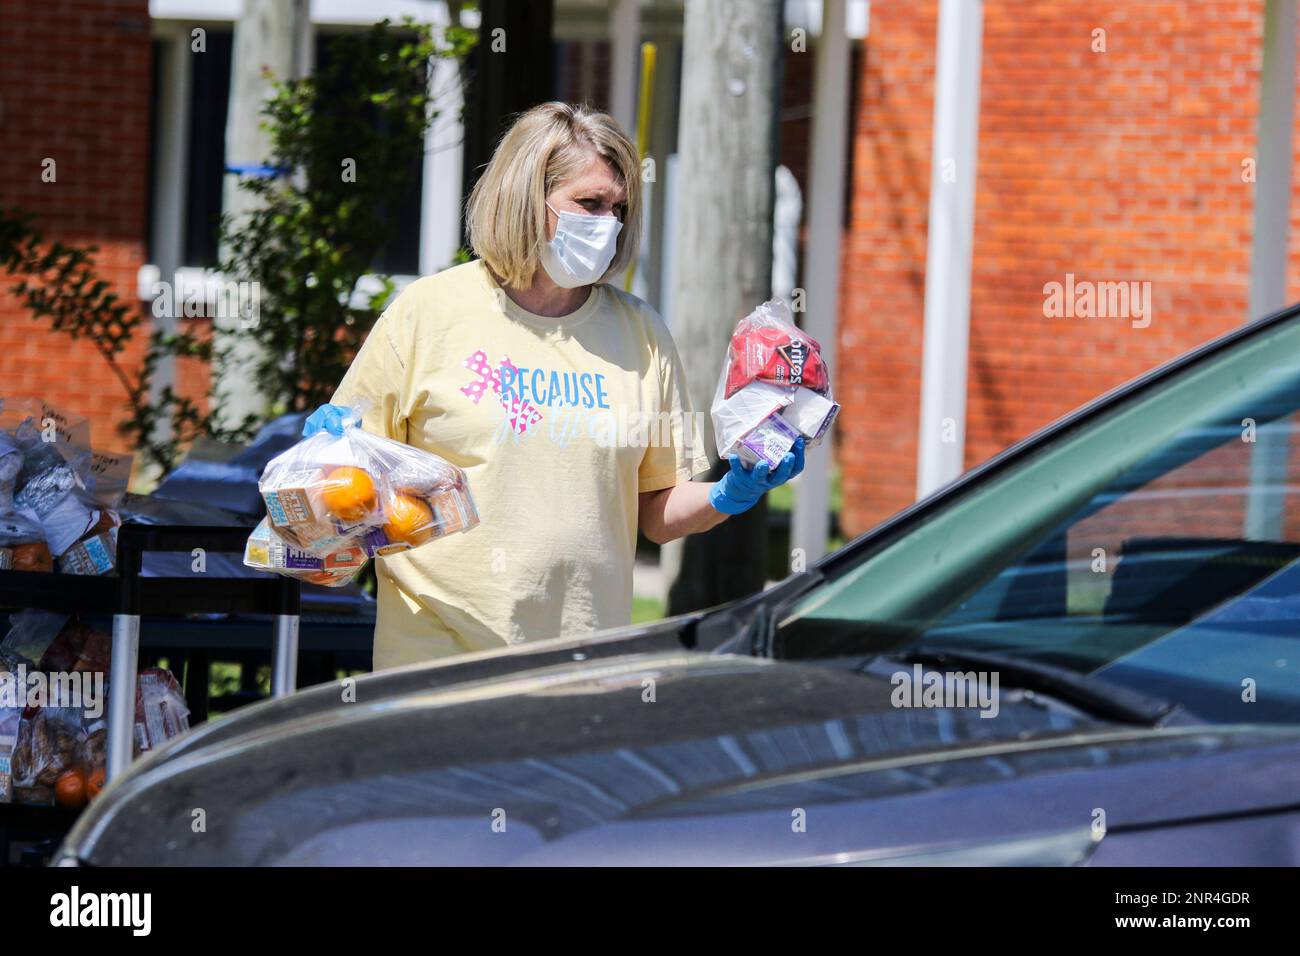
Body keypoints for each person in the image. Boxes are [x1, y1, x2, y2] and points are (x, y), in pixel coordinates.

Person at [305, 102, 803, 669]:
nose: (607, 223)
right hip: (436, 661)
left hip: (584, 662)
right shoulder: (428, 312)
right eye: (589, 203)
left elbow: (657, 513)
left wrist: (729, 491)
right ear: (523, 198)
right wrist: (330, 458)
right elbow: (338, 492)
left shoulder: (642, 333)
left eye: (619, 207)